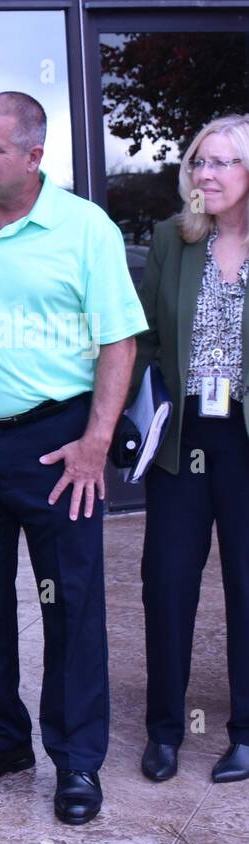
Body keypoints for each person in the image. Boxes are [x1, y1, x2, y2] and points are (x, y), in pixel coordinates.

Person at [0, 92, 144, 826]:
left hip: (58, 444)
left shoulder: (85, 229)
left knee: (71, 606)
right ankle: (1, 740)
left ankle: (77, 762)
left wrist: (95, 445)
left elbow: (119, 341)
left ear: (34, 157)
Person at [131, 113, 249, 784]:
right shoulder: (174, 241)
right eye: (198, 162)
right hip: (183, 436)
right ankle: (165, 731)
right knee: (167, 584)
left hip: (245, 437)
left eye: (222, 162)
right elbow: (144, 338)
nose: (204, 174)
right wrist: (132, 412)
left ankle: (246, 733)